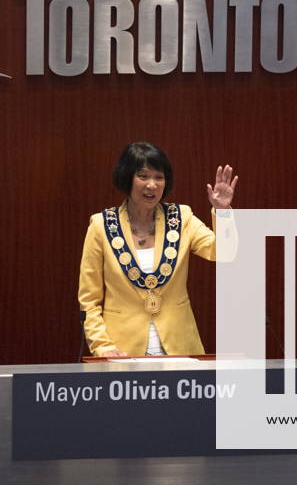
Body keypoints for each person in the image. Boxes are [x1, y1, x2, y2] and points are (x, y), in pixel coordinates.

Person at [77, 142, 238, 357]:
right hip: (120, 350)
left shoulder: (181, 218)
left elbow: (224, 252)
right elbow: (89, 299)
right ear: (127, 178)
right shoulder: (101, 225)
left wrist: (223, 211)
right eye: (143, 176)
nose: (152, 185)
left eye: (159, 177)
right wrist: (101, 345)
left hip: (180, 348)